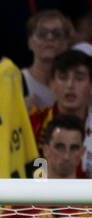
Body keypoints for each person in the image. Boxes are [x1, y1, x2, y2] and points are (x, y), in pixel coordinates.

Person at [30, 49, 92, 177]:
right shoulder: (33, 124)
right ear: (51, 84)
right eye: (63, 77)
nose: (70, 85)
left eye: (79, 78)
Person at [24, 10, 75, 110]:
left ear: (66, 42)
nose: (49, 37)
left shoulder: (77, 84)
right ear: (30, 42)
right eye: (41, 34)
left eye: (57, 34)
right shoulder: (17, 82)